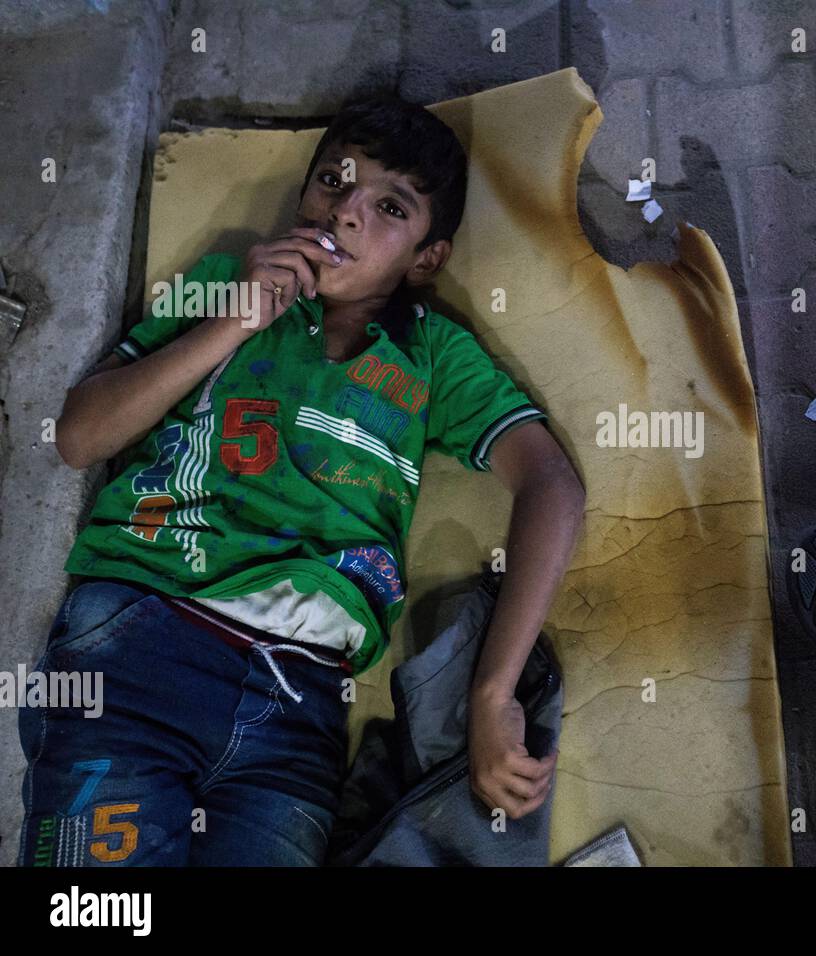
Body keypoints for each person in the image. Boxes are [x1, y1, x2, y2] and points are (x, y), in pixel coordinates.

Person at [18, 93, 586, 866]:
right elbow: (80, 437)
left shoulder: (433, 357)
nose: (346, 211)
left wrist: (492, 695)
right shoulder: (222, 281)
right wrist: (239, 319)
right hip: (143, 650)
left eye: (389, 206)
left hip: (300, 713)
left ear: (428, 259)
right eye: (333, 182)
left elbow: (552, 485)